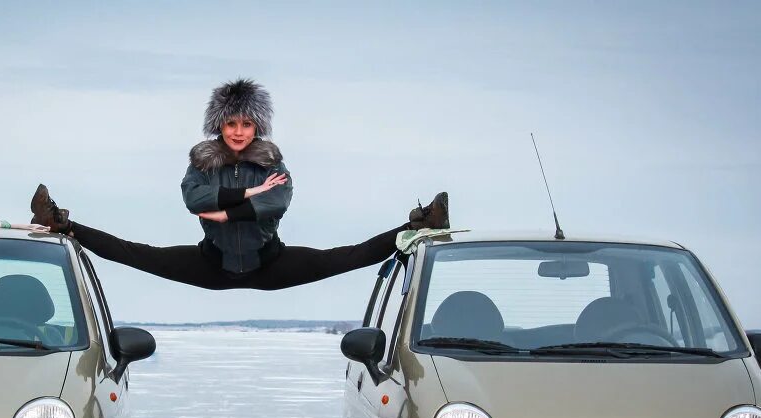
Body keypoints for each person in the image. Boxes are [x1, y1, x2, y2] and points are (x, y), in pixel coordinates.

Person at [30, 79, 448, 291]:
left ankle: (419, 224)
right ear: (220, 124)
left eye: (246, 123)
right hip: (212, 263)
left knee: (343, 257)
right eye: (231, 122)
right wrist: (242, 200)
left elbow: (278, 202)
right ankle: (63, 224)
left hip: (270, 262)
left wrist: (226, 208)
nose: (238, 131)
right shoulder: (201, 161)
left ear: (256, 126)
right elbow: (194, 199)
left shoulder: (271, 159)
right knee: (137, 255)